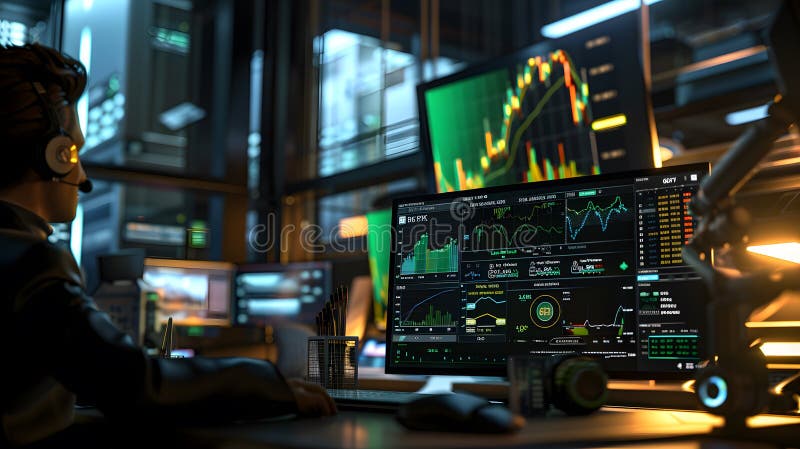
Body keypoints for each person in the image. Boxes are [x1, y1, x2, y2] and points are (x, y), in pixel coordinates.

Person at [0, 43, 335, 447]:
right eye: (74, 151)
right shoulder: (33, 262)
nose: (82, 174)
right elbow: (134, 384)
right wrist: (272, 387)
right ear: (53, 156)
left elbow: (81, 374)